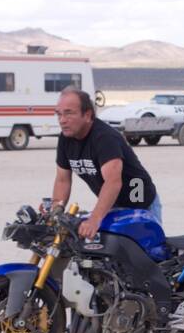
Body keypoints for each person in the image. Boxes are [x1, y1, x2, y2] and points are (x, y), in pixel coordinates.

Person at [51, 89, 161, 238]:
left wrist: (94, 220)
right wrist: (56, 210)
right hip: (113, 204)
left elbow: (113, 182)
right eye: (59, 114)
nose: (62, 120)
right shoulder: (66, 138)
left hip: (140, 202)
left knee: (142, 250)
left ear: (87, 115)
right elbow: (62, 180)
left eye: (69, 113)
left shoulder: (104, 137)